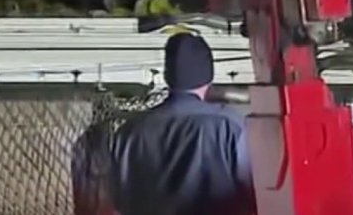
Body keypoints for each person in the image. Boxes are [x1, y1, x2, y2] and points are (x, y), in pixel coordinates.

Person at [107, 32, 255, 215]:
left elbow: (120, 202)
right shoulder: (230, 126)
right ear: (208, 78)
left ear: (168, 77)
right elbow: (252, 191)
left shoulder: (127, 134)